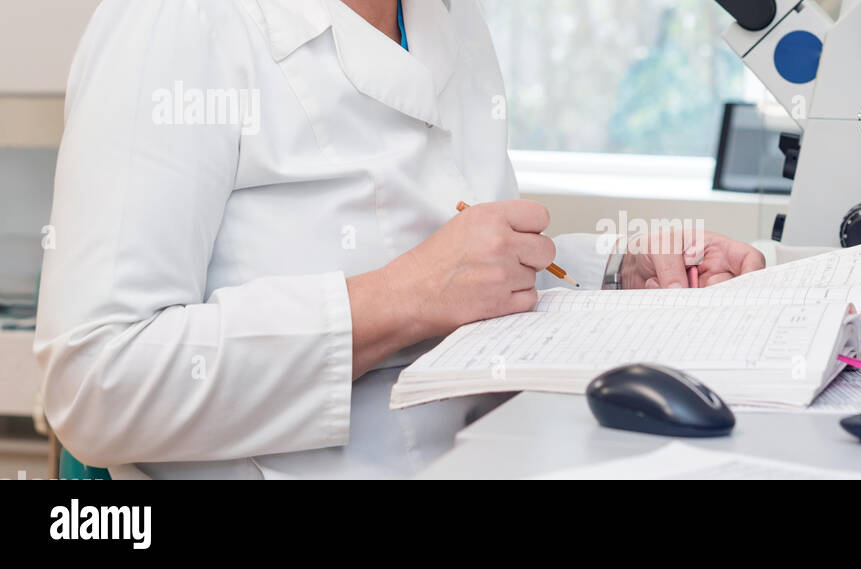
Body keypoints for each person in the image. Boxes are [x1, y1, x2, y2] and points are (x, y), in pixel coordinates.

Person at [34, 0, 765, 479]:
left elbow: (459, 252)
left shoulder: (447, 18)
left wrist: (616, 266)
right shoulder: (176, 22)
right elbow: (96, 378)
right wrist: (397, 302)